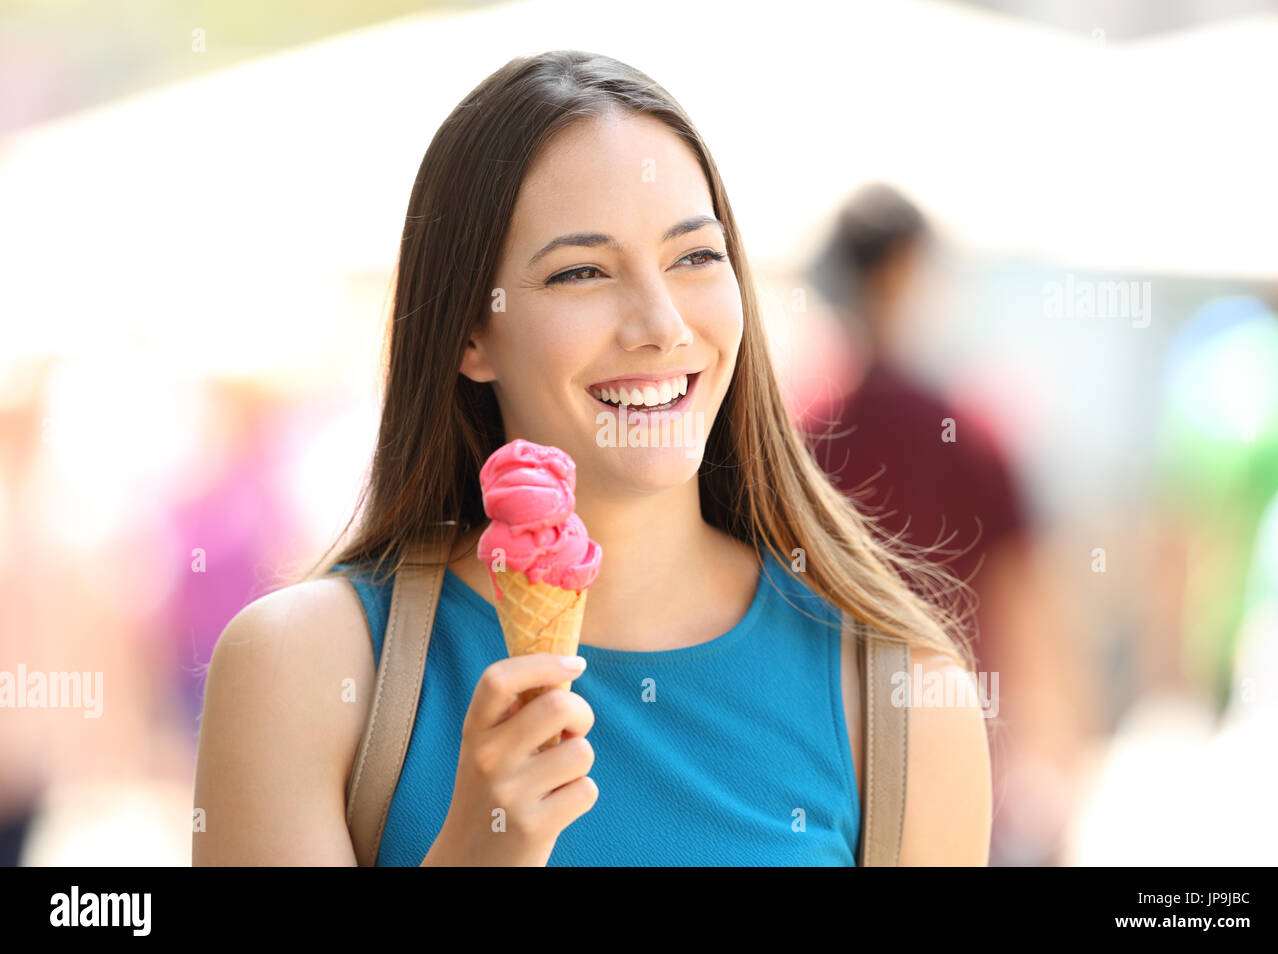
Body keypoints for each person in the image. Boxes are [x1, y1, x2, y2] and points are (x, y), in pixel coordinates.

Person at [191, 51, 991, 866]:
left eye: (695, 257)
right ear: (470, 333)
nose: (662, 325)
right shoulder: (300, 674)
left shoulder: (902, 708)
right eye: (581, 271)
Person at [804, 184, 1095, 865]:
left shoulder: (799, 430)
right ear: (910, 271)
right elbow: (1026, 613)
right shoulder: (969, 430)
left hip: (823, 762)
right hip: (956, 765)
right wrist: (1062, 762)